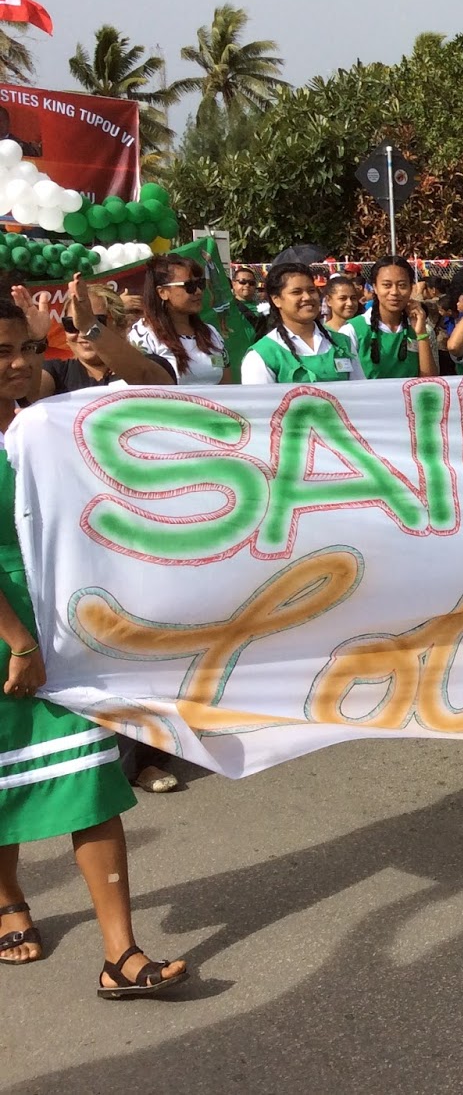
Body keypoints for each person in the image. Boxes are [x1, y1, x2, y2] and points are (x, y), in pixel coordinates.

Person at [0, 296, 190, 997]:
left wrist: (94, 331)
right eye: (1, 353)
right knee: (3, 777)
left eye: (26, 348)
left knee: (89, 778)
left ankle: (121, 953)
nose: (19, 364)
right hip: (10, 630)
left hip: (58, 624)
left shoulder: (50, 417)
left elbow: (158, 391)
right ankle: (8, 902)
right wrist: (18, 642)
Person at [33, 278, 175, 396]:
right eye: (72, 324)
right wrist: (36, 342)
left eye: (97, 322)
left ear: (121, 327)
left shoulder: (152, 365)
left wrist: (90, 328)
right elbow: (30, 393)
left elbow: (151, 383)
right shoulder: (56, 372)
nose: (82, 333)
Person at [240, 264, 366, 384]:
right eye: (296, 292)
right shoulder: (262, 355)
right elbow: (260, 399)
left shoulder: (343, 343)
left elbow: (360, 393)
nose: (307, 297)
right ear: (276, 300)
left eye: (311, 290)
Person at [129, 255, 230, 387]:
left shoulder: (212, 334)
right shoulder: (143, 335)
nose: (198, 291)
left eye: (200, 284)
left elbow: (227, 385)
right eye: (189, 286)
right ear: (162, 292)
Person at [344, 257, 438, 380]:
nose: (394, 292)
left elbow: (430, 383)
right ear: (375, 287)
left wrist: (421, 335)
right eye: (387, 285)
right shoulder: (352, 331)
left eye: (402, 285)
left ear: (411, 288)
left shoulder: (422, 329)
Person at [323, 274, 365, 339]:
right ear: (328, 300)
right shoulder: (323, 334)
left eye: (353, 298)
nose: (350, 303)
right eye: (342, 298)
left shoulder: (364, 330)